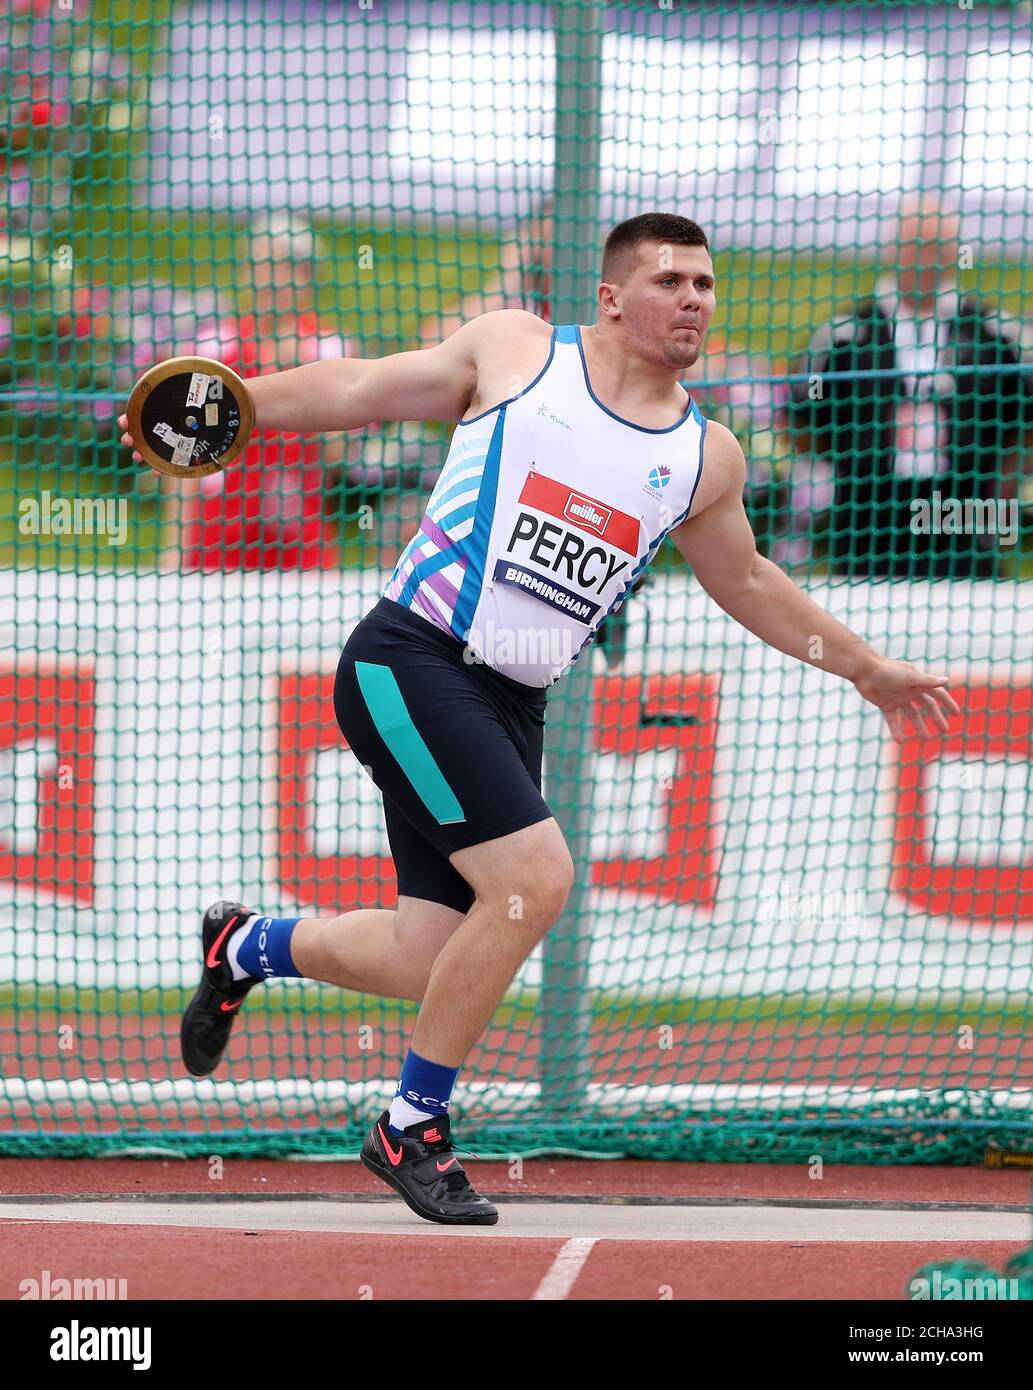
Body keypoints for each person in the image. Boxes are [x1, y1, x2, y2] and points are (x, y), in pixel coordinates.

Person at [120, 212, 958, 1226]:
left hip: (513, 700)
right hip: (410, 656)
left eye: (703, 283)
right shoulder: (518, 351)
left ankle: (244, 947)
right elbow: (359, 389)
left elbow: (748, 581)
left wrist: (864, 667)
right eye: (668, 280)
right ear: (611, 298)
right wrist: (236, 408)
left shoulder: (705, 456)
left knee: (427, 956)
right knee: (535, 879)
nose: (692, 299)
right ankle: (410, 1126)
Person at [782, 197, 1033, 579]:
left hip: (962, 527)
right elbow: (800, 421)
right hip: (867, 528)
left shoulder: (995, 336)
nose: (925, 260)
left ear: (955, 254)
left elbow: (1025, 422)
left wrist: (1002, 483)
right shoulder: (846, 336)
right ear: (893, 249)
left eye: (937, 248)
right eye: (915, 246)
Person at [167, 214, 362, 571]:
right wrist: (172, 554)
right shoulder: (213, 347)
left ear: (306, 278)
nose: (270, 280)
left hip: (298, 546)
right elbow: (182, 455)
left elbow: (338, 456)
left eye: (286, 267)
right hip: (216, 543)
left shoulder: (327, 350)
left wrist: (298, 380)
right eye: (260, 266)